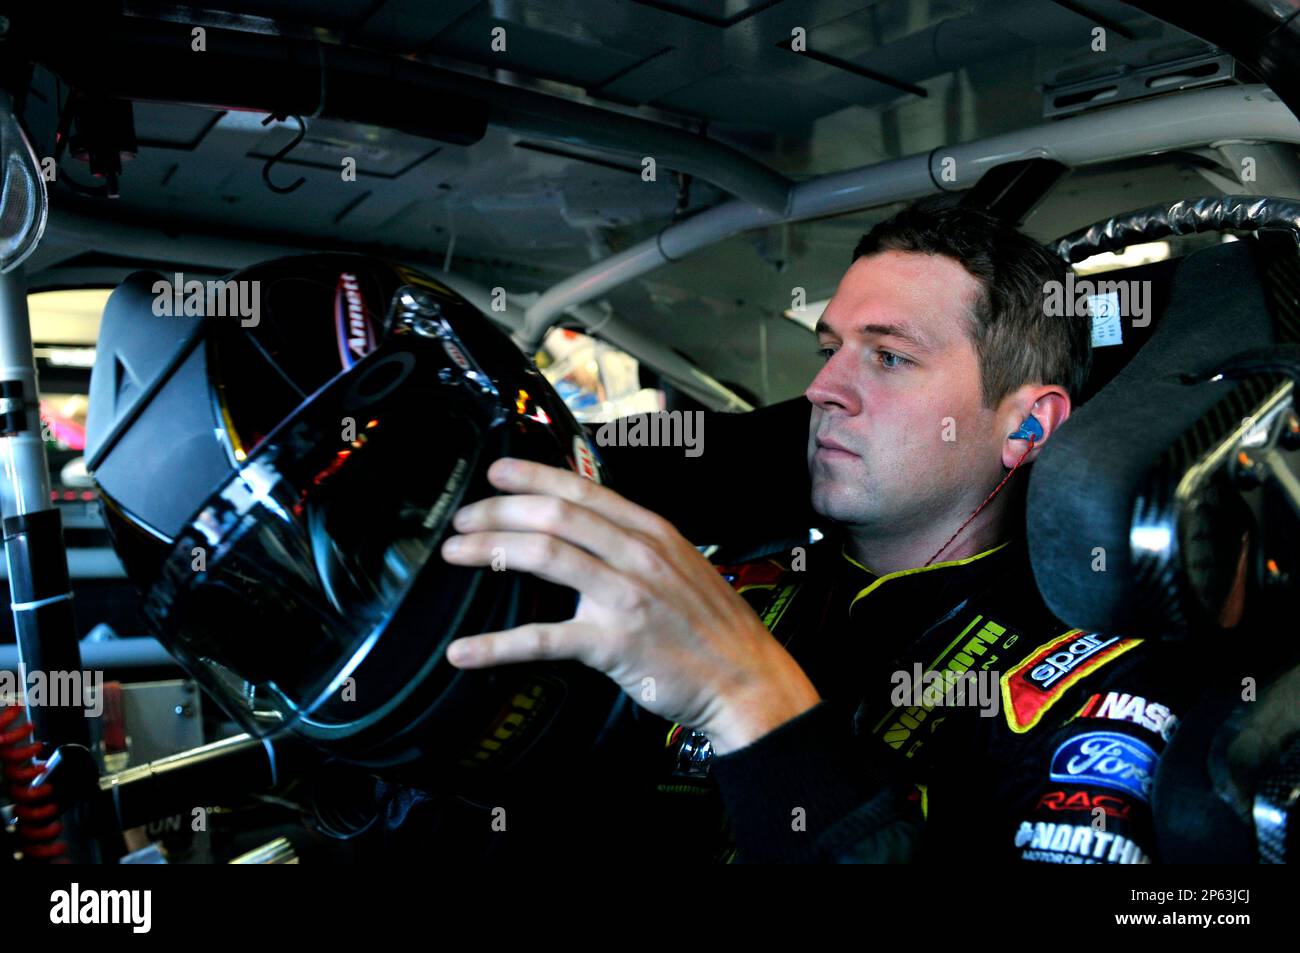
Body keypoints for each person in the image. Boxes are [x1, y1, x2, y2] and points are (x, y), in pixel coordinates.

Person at [396, 198, 1202, 863]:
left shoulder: (1096, 684)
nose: (821, 389)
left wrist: (748, 696)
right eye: (829, 349)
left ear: (1027, 427)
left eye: (887, 358)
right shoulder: (733, 588)